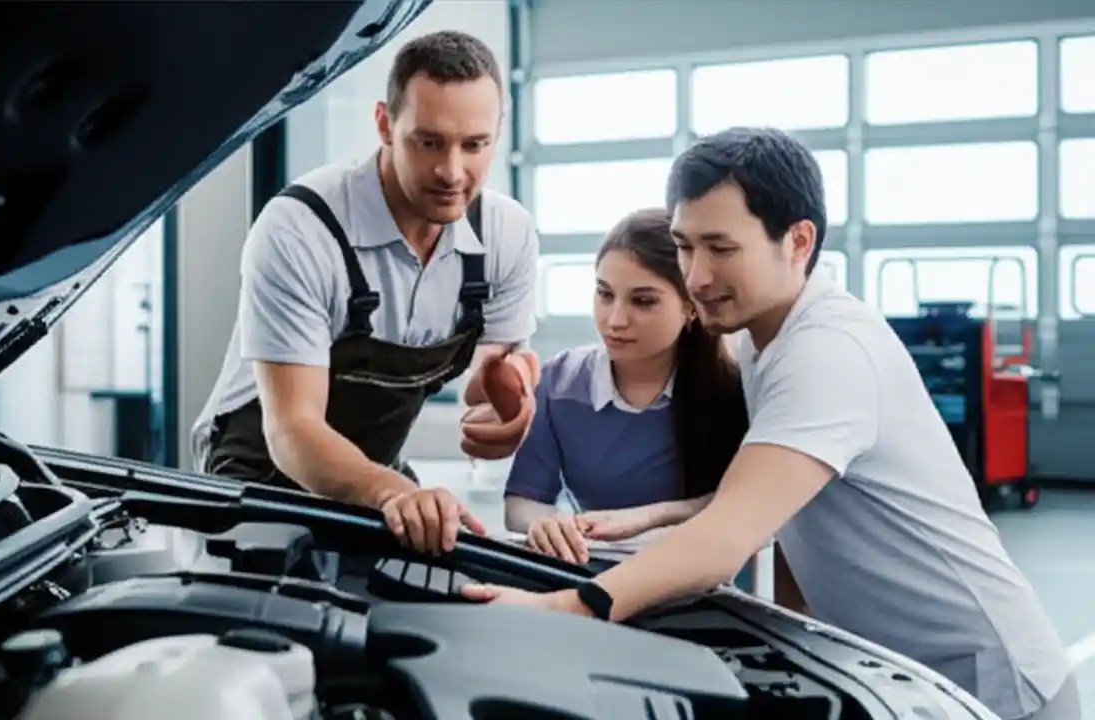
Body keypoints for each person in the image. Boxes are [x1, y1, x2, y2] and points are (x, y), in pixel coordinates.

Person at [462, 127, 1079, 720]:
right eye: (684, 245)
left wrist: (562, 609)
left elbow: (725, 540)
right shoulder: (763, 339)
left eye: (721, 248)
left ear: (798, 241)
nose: (696, 274)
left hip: (989, 691)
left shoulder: (827, 353)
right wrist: (654, 517)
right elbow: (775, 497)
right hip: (896, 680)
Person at [190, 30, 541, 556]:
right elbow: (292, 428)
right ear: (384, 124)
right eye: (428, 142)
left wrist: (506, 396)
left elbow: (490, 372)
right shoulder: (301, 229)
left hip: (376, 474)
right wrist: (394, 492)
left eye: (474, 145)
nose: (452, 171)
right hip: (262, 469)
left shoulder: (506, 235)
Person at [502, 208, 749, 566]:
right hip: (590, 572)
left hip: (702, 584)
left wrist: (649, 516)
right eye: (604, 294)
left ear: (691, 305)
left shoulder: (731, 391)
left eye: (643, 301)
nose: (615, 320)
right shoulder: (558, 383)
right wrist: (548, 524)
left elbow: (747, 505)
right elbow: (520, 503)